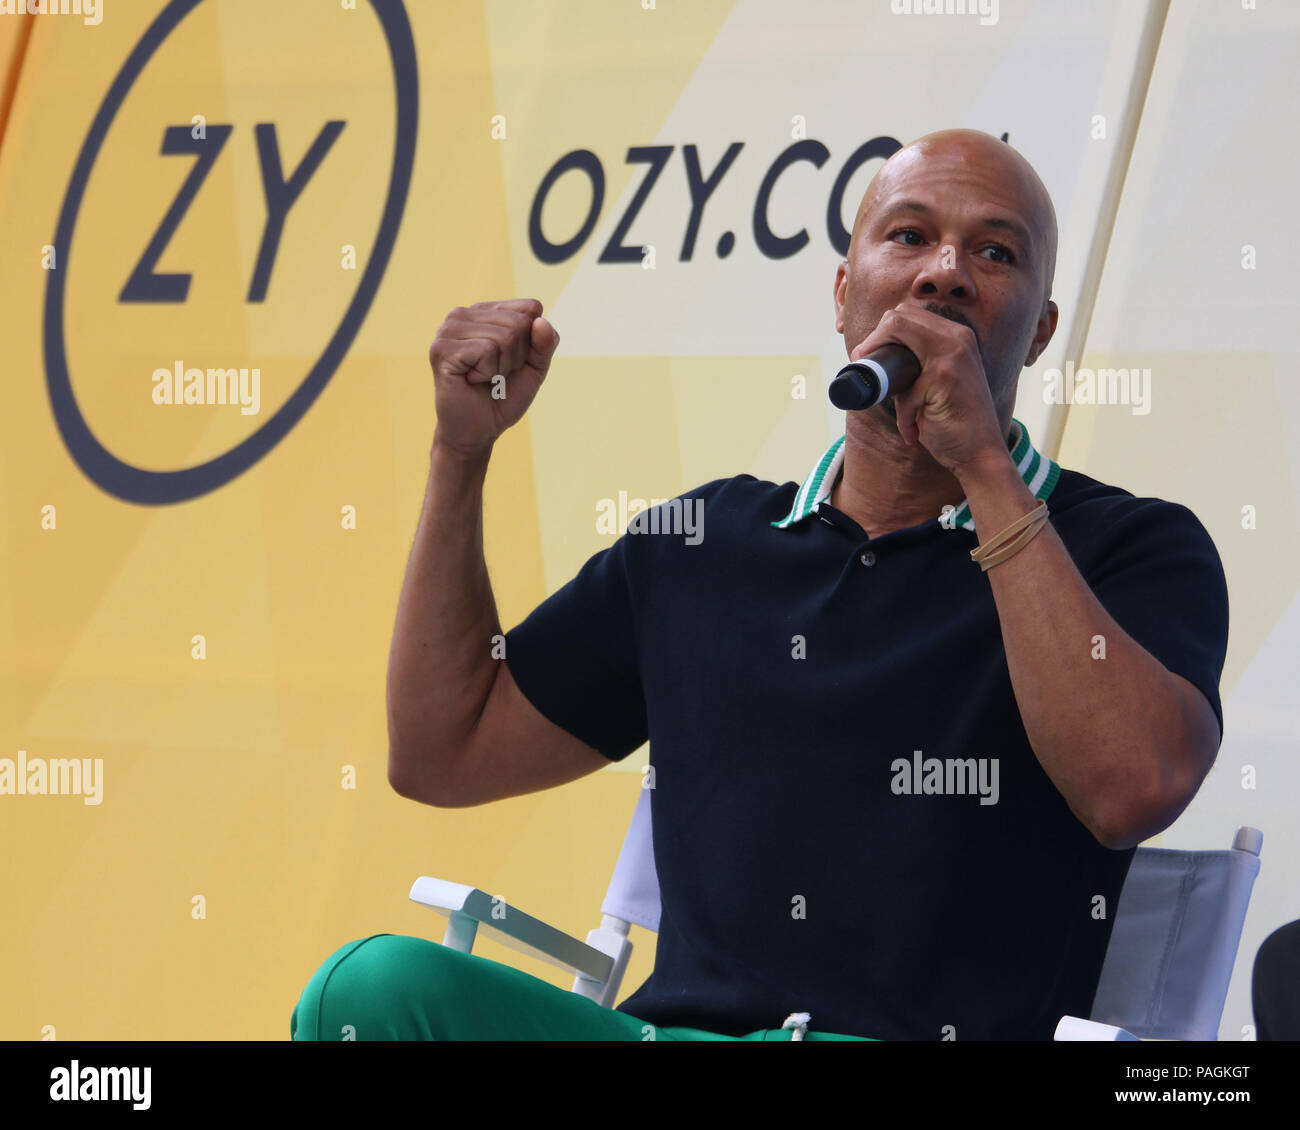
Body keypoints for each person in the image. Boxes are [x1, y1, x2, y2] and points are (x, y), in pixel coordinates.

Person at [291, 129, 1229, 1041]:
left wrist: (983, 466)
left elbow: (1130, 788)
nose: (945, 271)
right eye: (908, 236)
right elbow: (439, 753)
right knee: (372, 991)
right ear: (842, 294)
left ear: (1039, 335)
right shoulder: (704, 544)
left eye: (994, 252)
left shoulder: (1127, 548)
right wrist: (462, 453)